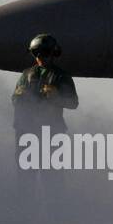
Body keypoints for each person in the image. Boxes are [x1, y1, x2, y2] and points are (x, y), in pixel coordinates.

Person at [12, 33, 78, 208]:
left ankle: (55, 215)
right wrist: (20, 97)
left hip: (51, 132)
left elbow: (73, 103)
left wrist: (56, 96)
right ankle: (26, 214)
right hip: (27, 131)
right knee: (25, 176)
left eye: (44, 53)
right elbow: (15, 99)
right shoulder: (27, 75)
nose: (40, 57)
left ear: (52, 53)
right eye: (36, 53)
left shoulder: (61, 77)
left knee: (53, 176)